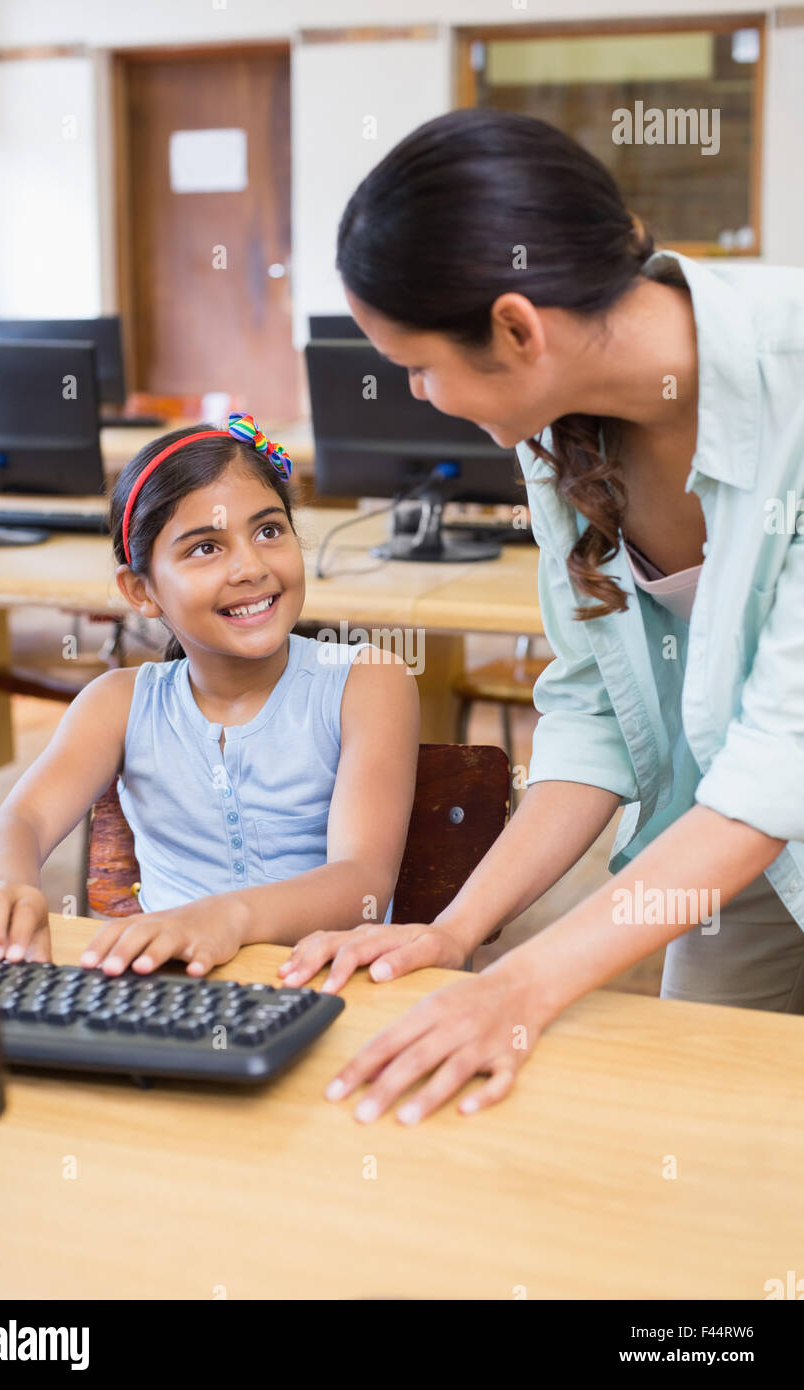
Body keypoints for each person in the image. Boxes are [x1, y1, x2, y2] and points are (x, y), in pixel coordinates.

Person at [278, 108, 804, 1126]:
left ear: (517, 326)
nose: (419, 395)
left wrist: (521, 988)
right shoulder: (550, 417)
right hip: (726, 841)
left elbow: (777, 766)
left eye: (417, 366)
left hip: (751, 809)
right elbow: (593, 711)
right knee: (694, 1138)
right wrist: (459, 930)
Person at [0, 417, 419, 976]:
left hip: (331, 985)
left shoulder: (368, 681)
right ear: (141, 590)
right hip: (176, 987)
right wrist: (3, 884)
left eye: (268, 531)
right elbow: (19, 822)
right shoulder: (117, 703)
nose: (251, 567)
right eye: (206, 548)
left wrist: (224, 918)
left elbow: (363, 884)